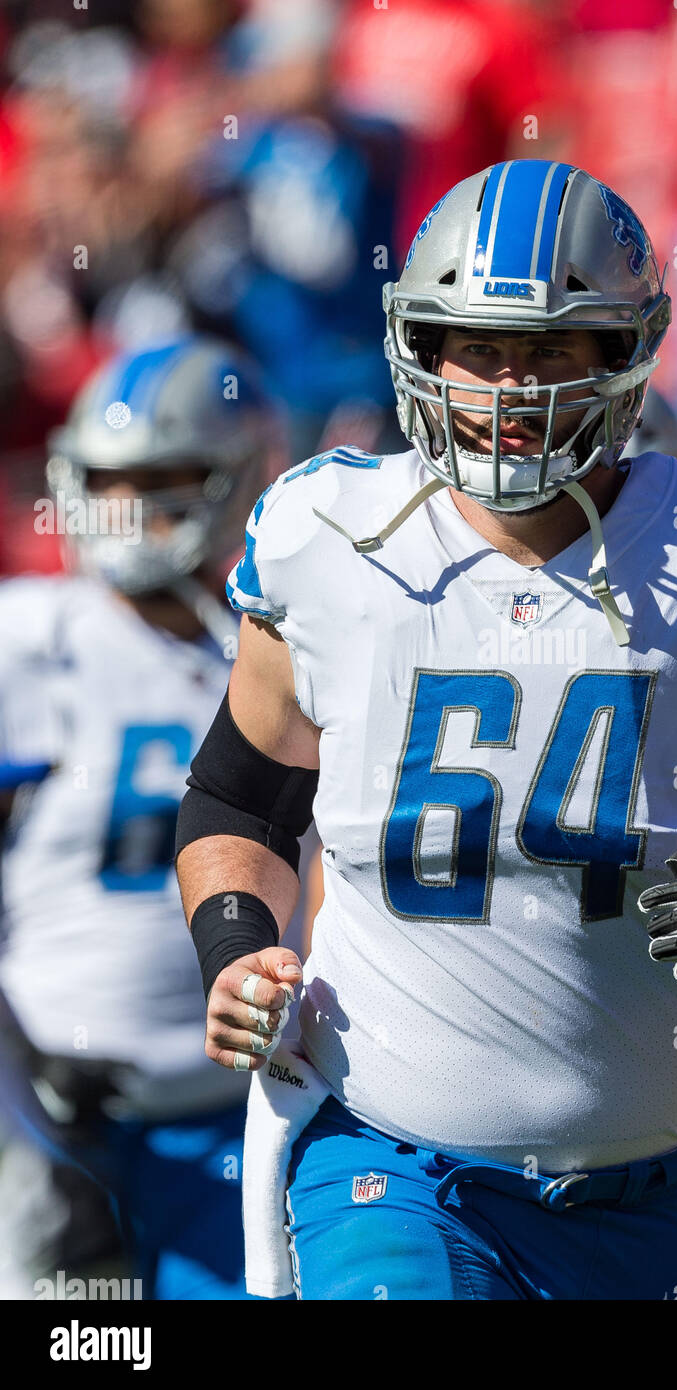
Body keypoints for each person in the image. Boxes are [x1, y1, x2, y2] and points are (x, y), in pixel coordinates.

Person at [176, 160, 677, 1301]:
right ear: (420, 348)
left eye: (549, 349)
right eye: (477, 345)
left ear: (624, 354)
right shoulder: (327, 536)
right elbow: (238, 803)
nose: (508, 386)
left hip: (669, 1197)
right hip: (395, 1166)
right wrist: (238, 940)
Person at [0, 335, 276, 1298]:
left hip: (242, 1107)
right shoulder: (36, 639)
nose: (132, 509)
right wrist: (20, 1069)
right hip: (46, 1110)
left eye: (167, 478)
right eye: (111, 481)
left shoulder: (286, 652)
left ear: (241, 479)